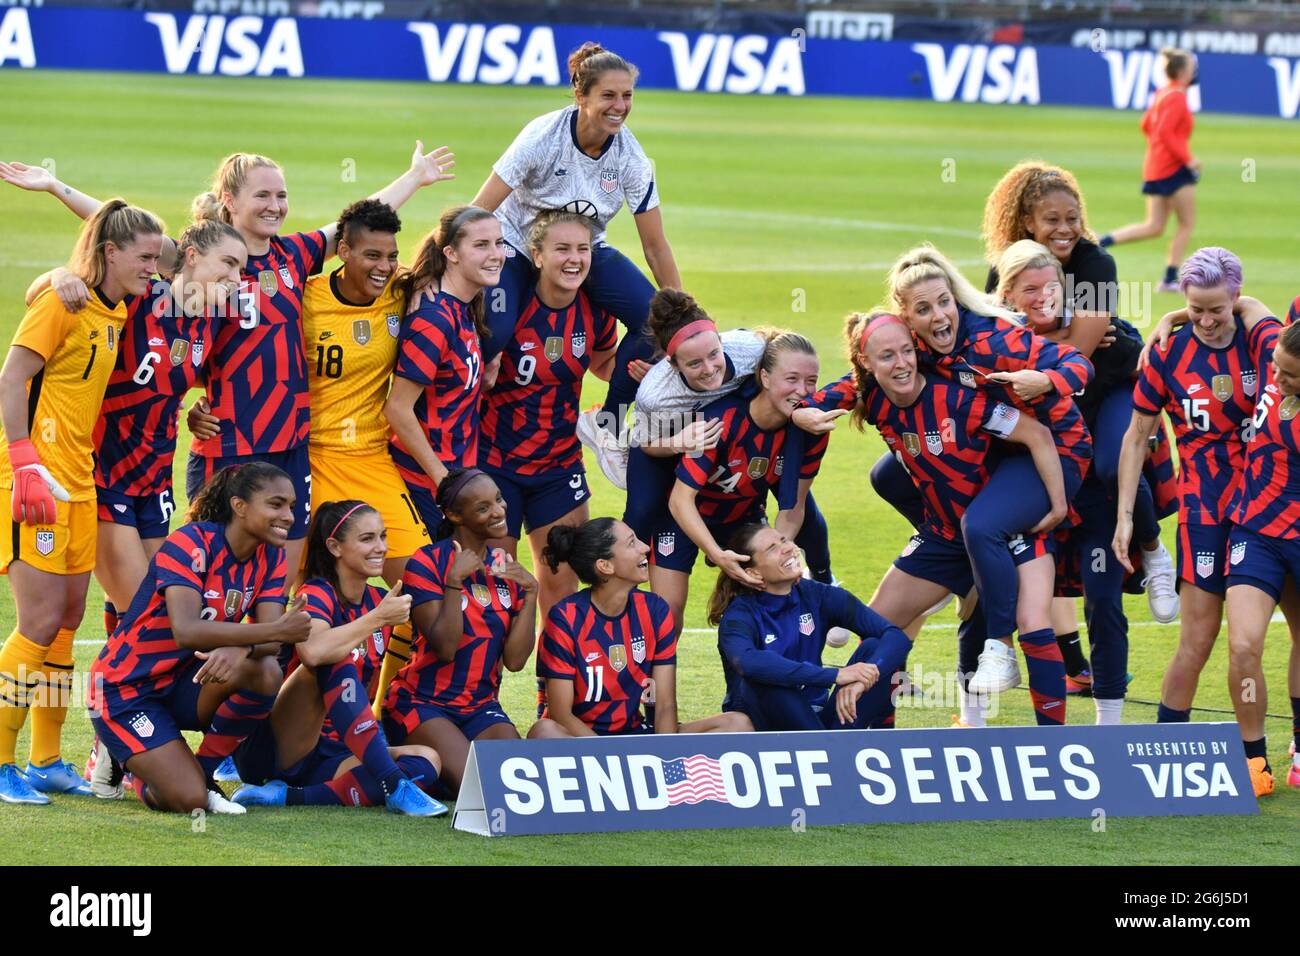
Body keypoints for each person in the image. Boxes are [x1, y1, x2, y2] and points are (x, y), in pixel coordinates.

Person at [185, 146, 456, 578]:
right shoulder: (203, 265)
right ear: (230, 200)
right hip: (229, 447)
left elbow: (357, 227)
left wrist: (414, 177)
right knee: (215, 581)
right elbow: (163, 322)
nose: (275, 206)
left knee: (277, 585)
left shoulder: (292, 255)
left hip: (291, 448)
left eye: (281, 195)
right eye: (263, 196)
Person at [0, 201, 165, 804]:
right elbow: (10, 378)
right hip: (32, 478)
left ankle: (45, 759)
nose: (155, 266)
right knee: (38, 621)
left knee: (68, 621)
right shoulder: (61, 302)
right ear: (110, 254)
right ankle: (2, 762)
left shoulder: (114, 305)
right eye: (144, 256)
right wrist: (22, 461)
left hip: (80, 478)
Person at [878, 246, 1091, 711]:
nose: (938, 316)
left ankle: (999, 643)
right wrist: (811, 403)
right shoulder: (913, 347)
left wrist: (1045, 381)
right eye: (923, 309)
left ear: (956, 299)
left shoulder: (994, 339)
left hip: (1054, 449)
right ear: (906, 318)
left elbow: (1079, 366)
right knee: (886, 475)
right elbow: (864, 367)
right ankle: (957, 547)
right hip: (999, 453)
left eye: (944, 302)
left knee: (983, 528)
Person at [471, 42, 681, 484]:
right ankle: (458, 430)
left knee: (657, 321)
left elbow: (656, 246)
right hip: (517, 244)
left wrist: (685, 316)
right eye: (609, 96)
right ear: (581, 96)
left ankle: (607, 425)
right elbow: (480, 210)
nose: (620, 106)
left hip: (581, 249)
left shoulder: (630, 157)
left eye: (627, 97)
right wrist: (447, 263)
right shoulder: (541, 137)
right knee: (497, 336)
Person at [847, 311, 1069, 726]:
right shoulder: (873, 400)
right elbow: (828, 395)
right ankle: (865, 736)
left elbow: (1036, 434)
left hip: (1005, 529)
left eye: (907, 352)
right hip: (946, 534)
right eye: (887, 356)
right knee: (876, 632)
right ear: (865, 363)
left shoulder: (959, 399)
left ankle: (1057, 745)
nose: (901, 363)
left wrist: (1058, 504)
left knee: (1035, 627)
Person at [1114, 249, 1280, 736]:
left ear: (1236, 299)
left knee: (1266, 639)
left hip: (1269, 512)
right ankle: (1168, 743)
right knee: (1198, 640)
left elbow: (1259, 312)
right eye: (1195, 310)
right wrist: (1126, 515)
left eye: (1217, 309)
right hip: (1204, 511)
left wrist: (1230, 309)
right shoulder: (1167, 352)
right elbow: (1135, 435)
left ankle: (1279, 754)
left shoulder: (1260, 342)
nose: (1205, 321)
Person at [86, 463, 311, 814]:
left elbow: (268, 644)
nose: (289, 516)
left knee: (265, 671)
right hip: (123, 690)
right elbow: (187, 629)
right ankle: (126, 760)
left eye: (292, 507)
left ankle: (203, 771)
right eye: (276, 504)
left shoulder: (271, 555)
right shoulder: (191, 542)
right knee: (188, 801)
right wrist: (275, 631)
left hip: (184, 681)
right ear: (239, 506)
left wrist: (245, 647)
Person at [230, 500, 447, 815]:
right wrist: (377, 619)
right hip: (281, 746)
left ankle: (288, 796)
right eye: (367, 539)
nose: (381, 548)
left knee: (427, 762)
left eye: (383, 537)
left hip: (338, 750)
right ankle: (393, 784)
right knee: (334, 658)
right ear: (334, 546)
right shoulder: (316, 593)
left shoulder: (376, 599)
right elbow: (314, 652)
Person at [479, 210, 617, 616]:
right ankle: (485, 681)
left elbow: (603, 363)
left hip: (558, 468)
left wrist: (642, 373)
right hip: (495, 467)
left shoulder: (595, 309)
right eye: (562, 249)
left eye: (583, 249)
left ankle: (551, 683)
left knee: (559, 588)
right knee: (497, 588)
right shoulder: (508, 309)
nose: (574, 259)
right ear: (537, 255)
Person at [660, 333, 829, 638]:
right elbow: (680, 501)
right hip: (682, 517)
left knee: (770, 600)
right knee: (666, 615)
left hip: (741, 517)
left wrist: (776, 553)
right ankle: (649, 687)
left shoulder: (812, 429)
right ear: (764, 376)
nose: (802, 391)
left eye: (811, 381)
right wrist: (716, 553)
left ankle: (766, 682)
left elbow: (793, 508)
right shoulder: (720, 420)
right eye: (791, 379)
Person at [297, 199, 430, 586]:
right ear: (343, 251)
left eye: (391, 256)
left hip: (372, 459)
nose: (384, 267)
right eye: (372, 255)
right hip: (313, 459)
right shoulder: (305, 300)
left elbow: (459, 251)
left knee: (421, 589)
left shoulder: (400, 291)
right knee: (307, 590)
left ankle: (389, 652)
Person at [382, 470, 538, 796]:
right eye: (483, 507)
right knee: (477, 786)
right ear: (455, 515)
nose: (498, 510)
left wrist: (531, 593)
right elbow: (445, 648)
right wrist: (454, 582)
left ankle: (428, 774)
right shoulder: (426, 562)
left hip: (481, 707)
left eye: (498, 499)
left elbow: (515, 661)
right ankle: (411, 766)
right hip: (422, 703)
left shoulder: (503, 565)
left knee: (517, 784)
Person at [529, 518, 750, 737]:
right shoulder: (565, 617)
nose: (645, 547)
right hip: (582, 739)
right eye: (632, 543)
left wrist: (663, 755)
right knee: (544, 731)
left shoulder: (655, 610)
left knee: (737, 724)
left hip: (635, 735)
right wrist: (610, 756)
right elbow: (561, 714)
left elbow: (664, 704)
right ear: (605, 566)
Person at [711, 523, 912, 732]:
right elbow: (748, 662)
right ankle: (833, 749)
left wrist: (861, 681)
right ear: (753, 573)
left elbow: (896, 637)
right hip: (766, 726)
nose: (788, 548)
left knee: (875, 647)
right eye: (772, 548)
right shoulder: (739, 615)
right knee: (768, 674)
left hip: (817, 719)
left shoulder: (818, 595)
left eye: (784, 540)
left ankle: (836, 745)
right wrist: (833, 676)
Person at [384, 206, 502, 535]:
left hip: (458, 476)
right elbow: (397, 408)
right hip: (428, 484)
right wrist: (444, 482)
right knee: (436, 583)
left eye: (498, 243)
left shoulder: (465, 306)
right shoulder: (434, 320)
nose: (495, 254)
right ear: (450, 253)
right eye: (481, 245)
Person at [1099, 48, 1200, 291]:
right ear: (1183, 71)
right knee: (1186, 223)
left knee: (1154, 225)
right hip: (1174, 168)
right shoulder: (1176, 97)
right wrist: (1187, 159)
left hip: (1156, 166)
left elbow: (1147, 125)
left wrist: (1158, 149)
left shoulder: (1162, 93)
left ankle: (1100, 242)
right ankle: (1169, 278)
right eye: (1191, 66)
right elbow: (1164, 131)